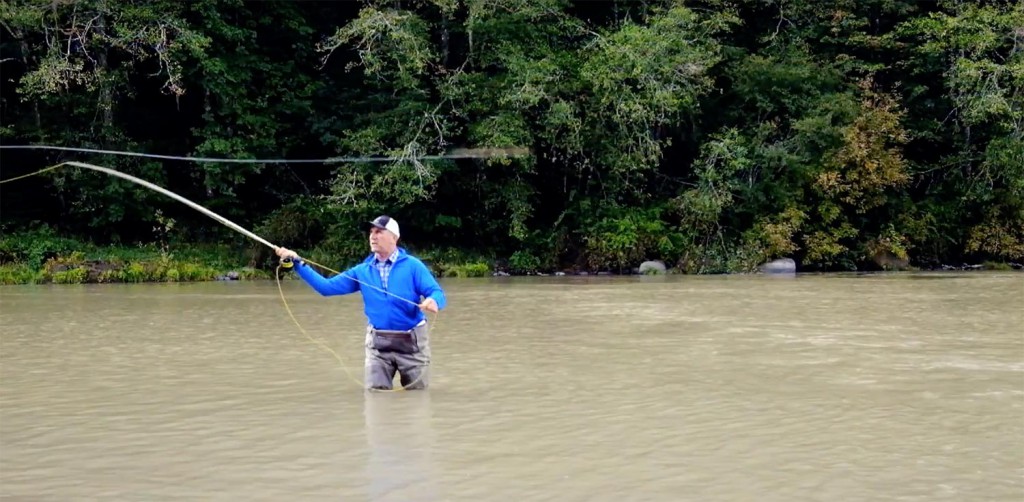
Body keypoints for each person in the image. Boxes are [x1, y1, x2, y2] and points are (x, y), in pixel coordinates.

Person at [274, 215, 446, 391]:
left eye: (379, 232)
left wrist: (433, 301)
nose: (373, 236)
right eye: (371, 232)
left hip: (412, 344)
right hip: (378, 347)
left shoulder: (413, 266)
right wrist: (298, 263)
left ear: (394, 237)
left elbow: (437, 293)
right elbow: (326, 288)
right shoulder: (361, 271)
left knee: (417, 397)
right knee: (376, 397)